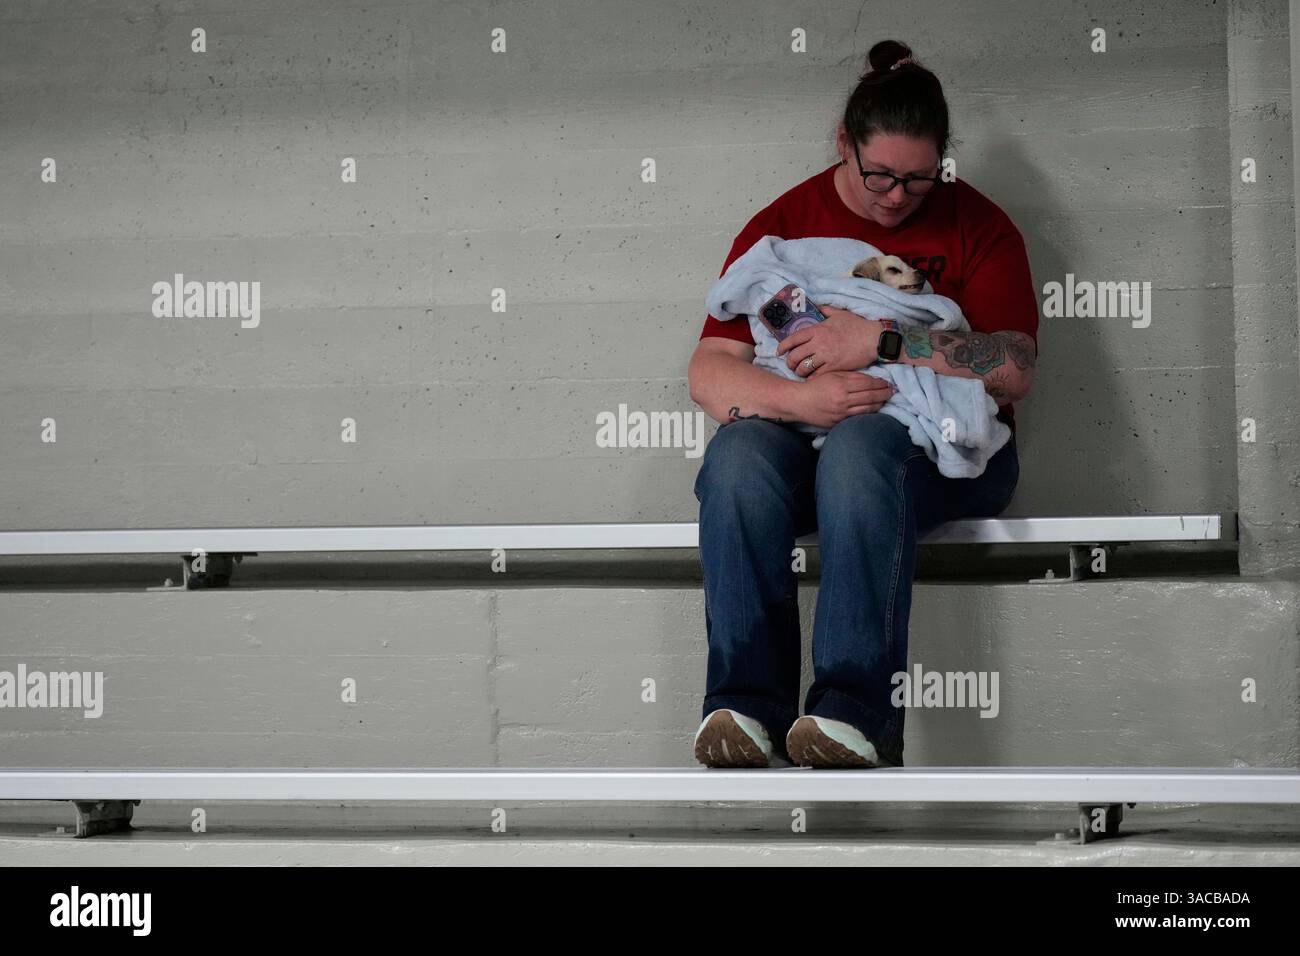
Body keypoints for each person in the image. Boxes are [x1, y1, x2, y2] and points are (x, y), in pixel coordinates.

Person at [687, 39, 1039, 769]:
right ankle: (746, 709)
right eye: (878, 173)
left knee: (857, 451)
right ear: (843, 143)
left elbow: (1014, 367)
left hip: (943, 451)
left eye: (918, 179)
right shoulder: (783, 226)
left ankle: (854, 714)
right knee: (735, 457)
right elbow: (712, 372)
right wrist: (805, 397)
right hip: (811, 437)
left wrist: (883, 343)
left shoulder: (979, 224)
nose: (895, 196)